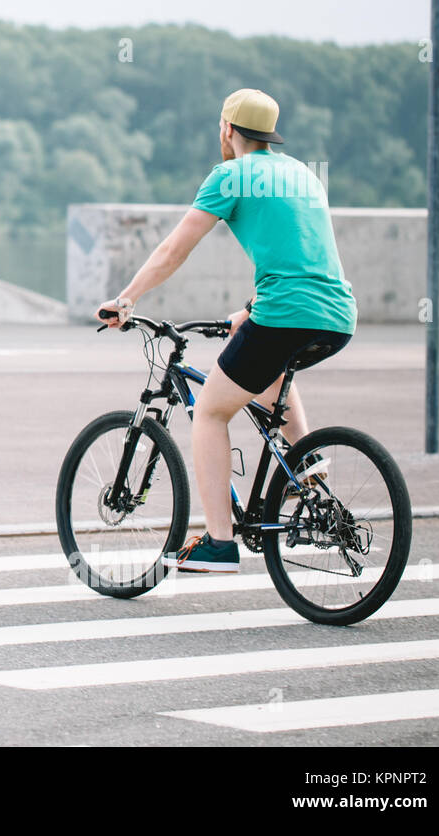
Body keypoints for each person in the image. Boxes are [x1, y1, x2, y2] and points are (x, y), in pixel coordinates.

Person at [96, 88, 357, 573]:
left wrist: (126, 299)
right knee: (273, 370)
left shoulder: (231, 175)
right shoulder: (302, 174)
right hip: (337, 315)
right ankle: (307, 469)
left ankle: (219, 543)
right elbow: (304, 254)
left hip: (285, 314)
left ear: (228, 130)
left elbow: (174, 250)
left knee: (212, 412)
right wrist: (250, 309)